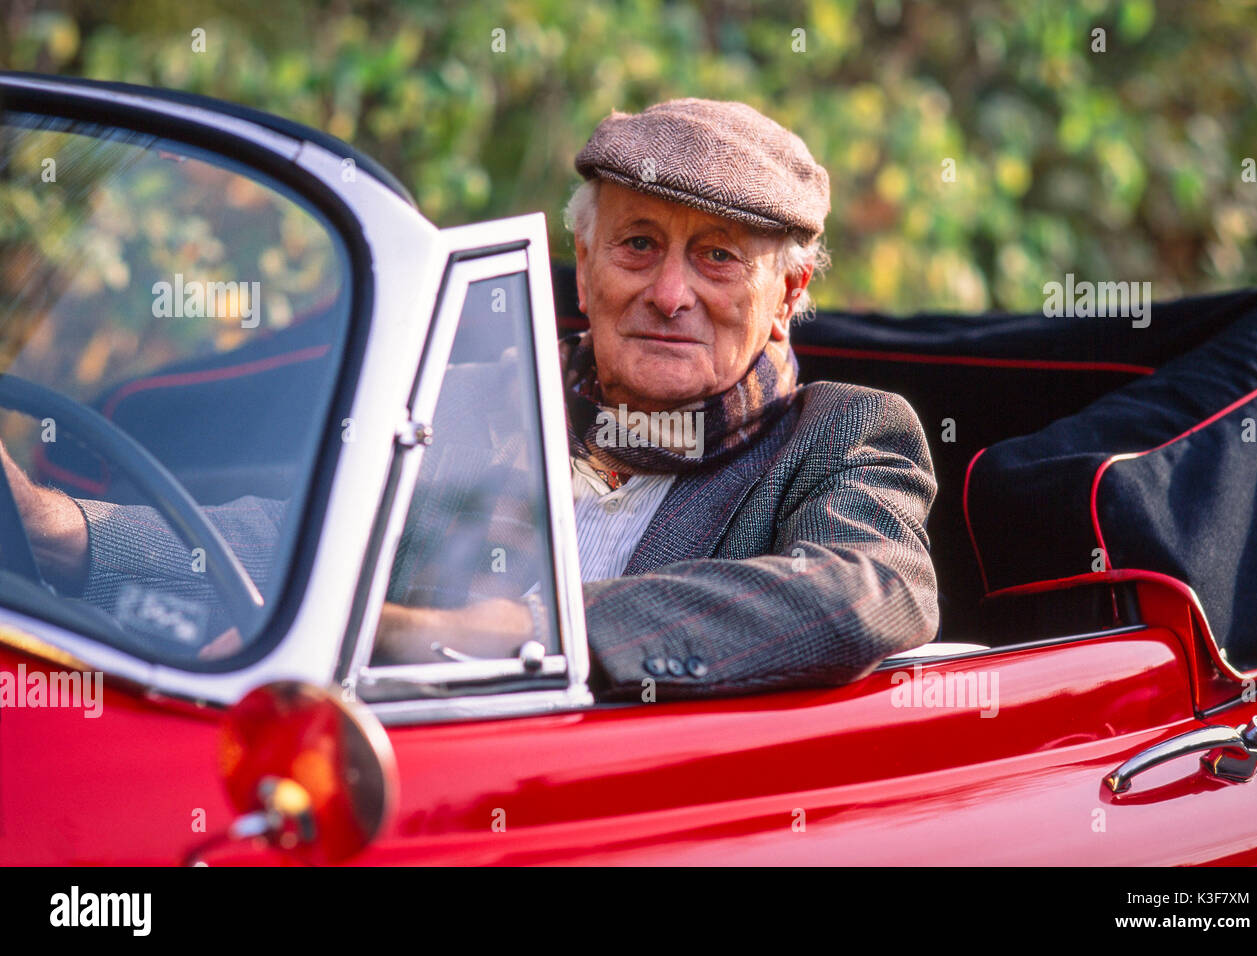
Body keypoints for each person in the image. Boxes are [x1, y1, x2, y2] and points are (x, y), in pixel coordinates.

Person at [0, 98, 939, 701]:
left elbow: (870, 593)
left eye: (720, 256)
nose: (669, 292)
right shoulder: (486, 400)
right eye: (638, 244)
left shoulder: (847, 432)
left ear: (790, 292)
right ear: (584, 275)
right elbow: (304, 545)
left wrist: (528, 634)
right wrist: (66, 527)